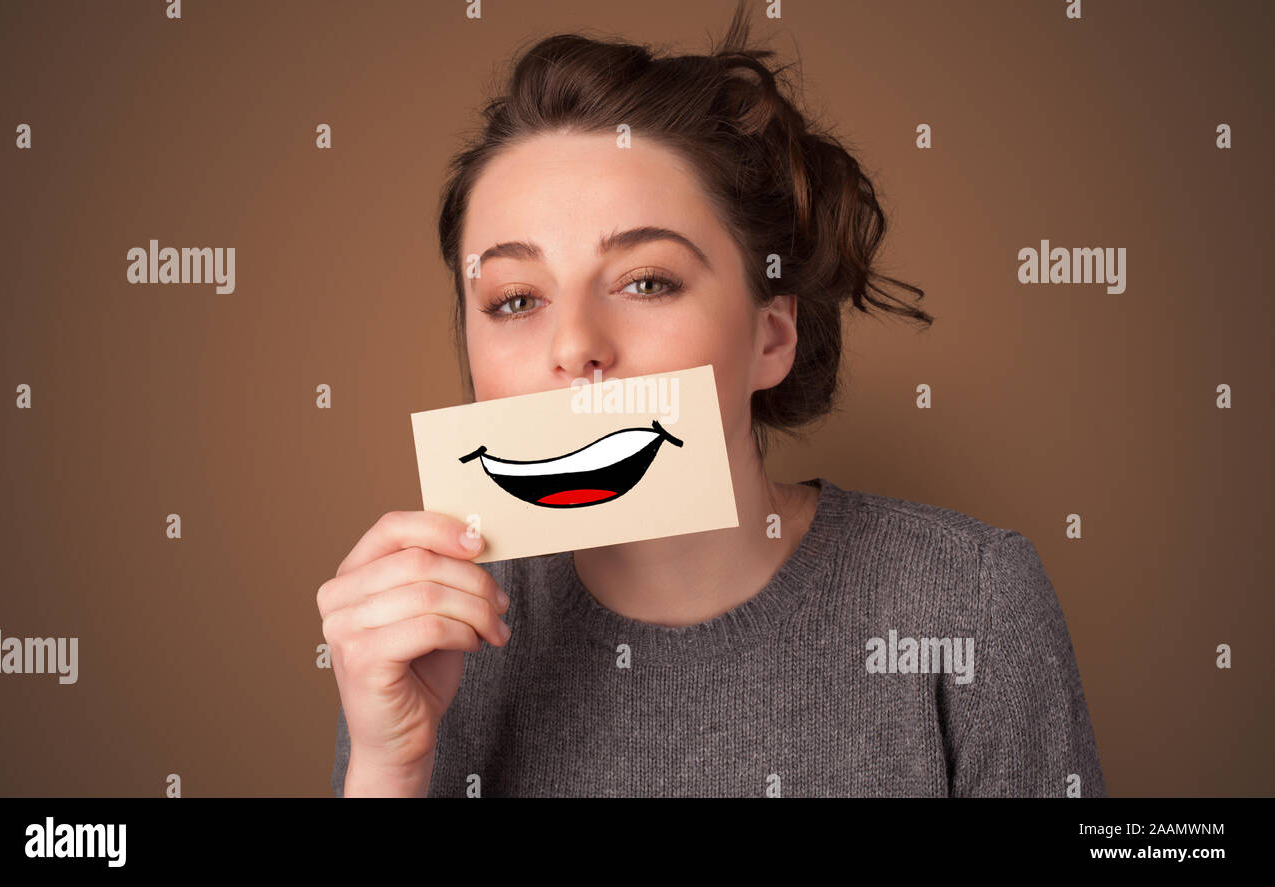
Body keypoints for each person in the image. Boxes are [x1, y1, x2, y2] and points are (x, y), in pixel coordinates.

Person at [318, 0, 1106, 797]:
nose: (573, 344)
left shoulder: (969, 601)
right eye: (515, 299)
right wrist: (388, 765)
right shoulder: (424, 643)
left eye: (646, 282)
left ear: (771, 335)